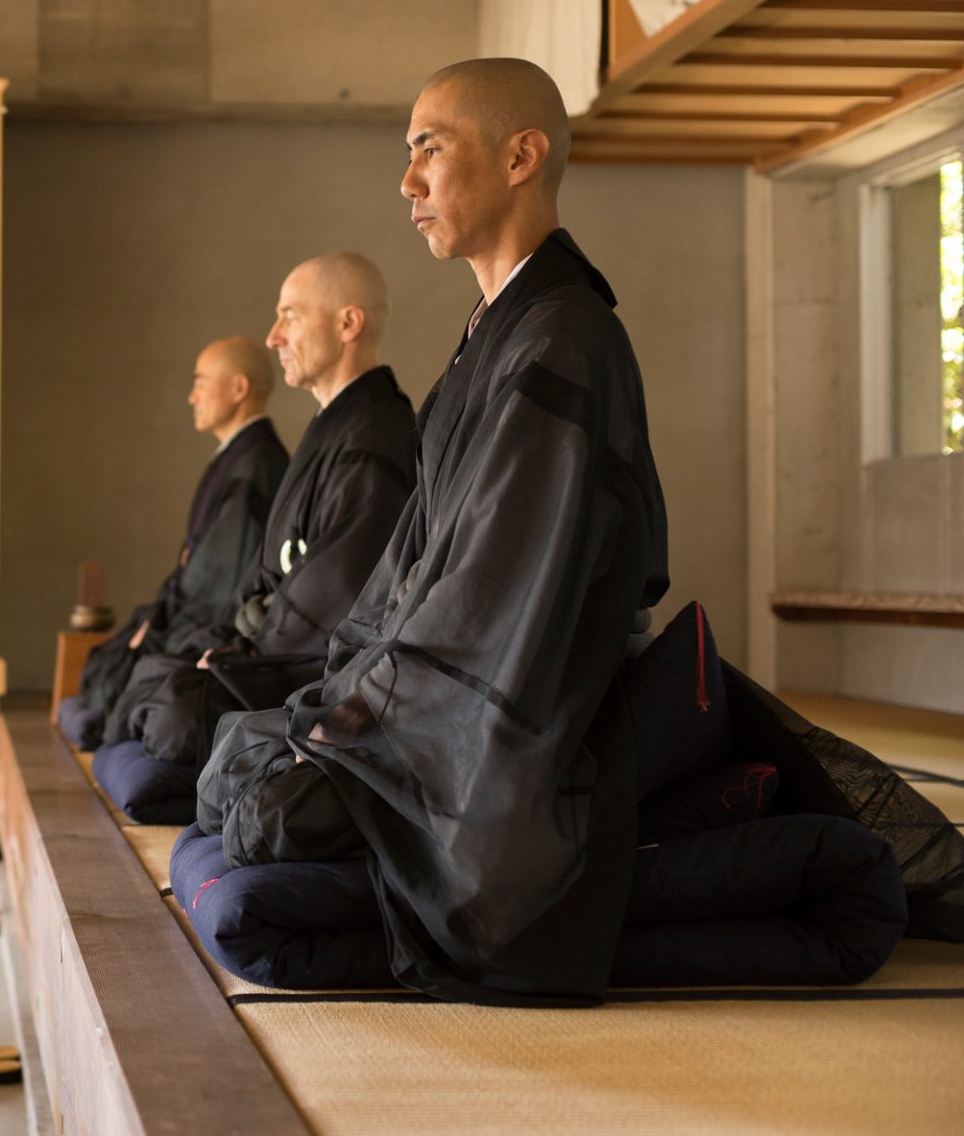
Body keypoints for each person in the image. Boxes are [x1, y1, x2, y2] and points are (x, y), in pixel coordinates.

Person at [199, 58, 669, 1005]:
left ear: (521, 156)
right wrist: (334, 708)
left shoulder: (564, 340)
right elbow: (401, 577)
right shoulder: (487, 340)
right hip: (434, 698)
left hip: (514, 729)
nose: (407, 182)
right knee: (233, 760)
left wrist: (360, 728)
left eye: (430, 149)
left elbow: (494, 603)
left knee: (263, 807)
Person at [99, 254, 415, 771]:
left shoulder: (377, 437)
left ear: (348, 323)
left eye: (290, 316)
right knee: (149, 680)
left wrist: (238, 656)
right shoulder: (329, 428)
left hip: (309, 670)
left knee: (176, 706)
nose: (273, 337)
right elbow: (265, 571)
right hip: (265, 647)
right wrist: (227, 644)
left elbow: (331, 604)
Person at [58, 337, 288, 749]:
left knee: (135, 672)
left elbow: (218, 583)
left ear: (238, 389)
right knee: (111, 661)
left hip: (209, 624)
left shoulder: (256, 466)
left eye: (200, 383)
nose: (191, 396)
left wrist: (158, 627)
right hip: (186, 608)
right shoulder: (236, 458)